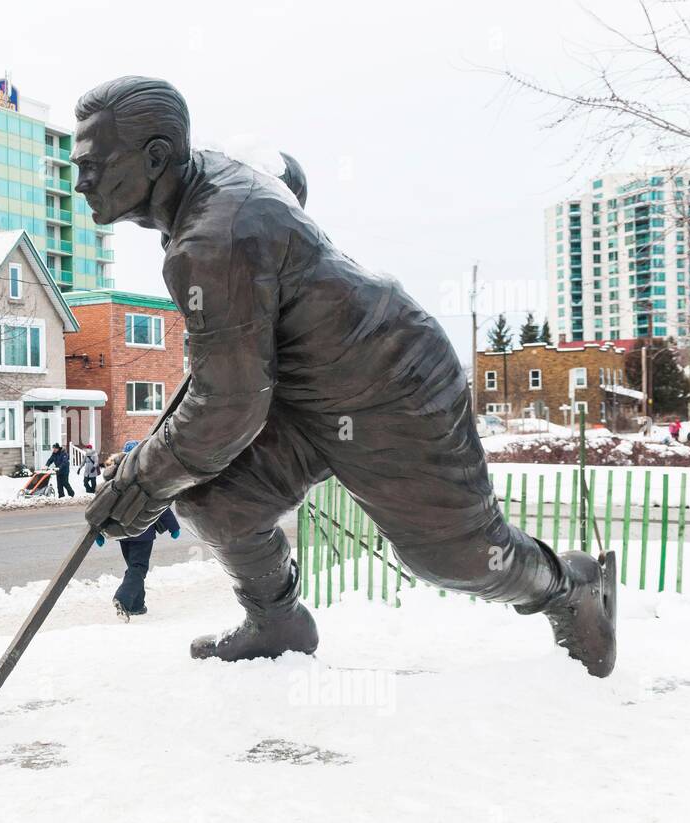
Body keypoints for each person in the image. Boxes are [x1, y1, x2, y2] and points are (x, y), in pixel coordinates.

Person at [76, 76, 615, 676]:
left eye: (95, 165)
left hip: (393, 381)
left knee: (457, 556)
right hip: (304, 390)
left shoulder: (210, 239)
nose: (81, 182)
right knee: (219, 502)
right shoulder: (206, 183)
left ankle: (571, 587)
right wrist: (160, 477)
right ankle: (276, 621)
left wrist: (146, 481)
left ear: (154, 157)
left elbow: (229, 403)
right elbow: (287, 179)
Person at [97, 455, 181, 618]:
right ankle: (122, 598)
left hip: (123, 534)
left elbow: (102, 508)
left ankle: (137, 605)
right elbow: (159, 504)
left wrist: (98, 533)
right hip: (143, 533)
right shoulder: (145, 481)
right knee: (138, 568)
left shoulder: (116, 482)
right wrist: (173, 527)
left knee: (134, 569)